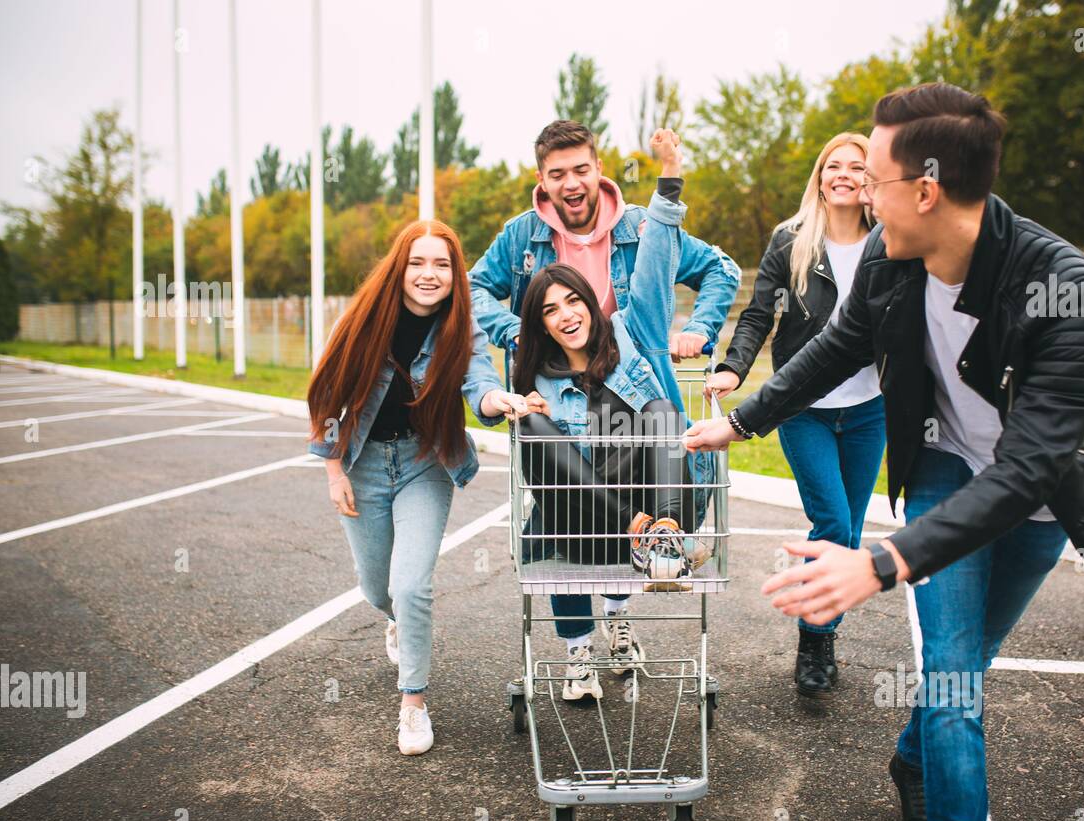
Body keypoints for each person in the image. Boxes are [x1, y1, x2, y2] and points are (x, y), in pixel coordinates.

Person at [685, 82, 1084, 821]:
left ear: (925, 190)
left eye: (875, 179)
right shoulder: (888, 258)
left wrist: (882, 561)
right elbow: (836, 346)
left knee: (960, 669)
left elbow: (1031, 466)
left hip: (1036, 497)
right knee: (956, 688)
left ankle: (912, 756)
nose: (863, 194)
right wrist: (740, 421)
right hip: (940, 467)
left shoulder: (1067, 290)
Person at [472, 119, 739, 672]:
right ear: (541, 180)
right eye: (557, 174)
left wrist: (699, 329)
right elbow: (473, 293)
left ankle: (652, 557)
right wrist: (516, 338)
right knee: (541, 442)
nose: (570, 182)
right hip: (581, 507)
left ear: (599, 170)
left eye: (580, 169)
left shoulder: (629, 323)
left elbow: (679, 269)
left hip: (637, 462)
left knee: (662, 412)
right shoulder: (523, 243)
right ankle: (579, 647)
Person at [307, 220, 528, 756]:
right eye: (418, 263)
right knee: (377, 589)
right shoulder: (362, 319)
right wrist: (334, 473)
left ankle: (413, 703)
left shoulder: (461, 326)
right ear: (400, 268)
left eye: (442, 264)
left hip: (424, 463)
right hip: (361, 465)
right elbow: (324, 398)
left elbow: (480, 380)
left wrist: (499, 402)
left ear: (455, 274)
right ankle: (397, 624)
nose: (430, 275)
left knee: (411, 587)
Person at [705, 131, 886, 701]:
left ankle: (821, 632)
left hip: (869, 408)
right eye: (834, 166)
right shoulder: (792, 240)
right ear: (820, 175)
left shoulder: (890, 239)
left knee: (850, 532)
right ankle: (816, 643)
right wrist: (735, 367)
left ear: (871, 179)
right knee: (832, 522)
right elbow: (760, 315)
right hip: (804, 408)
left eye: (857, 167)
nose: (844, 175)